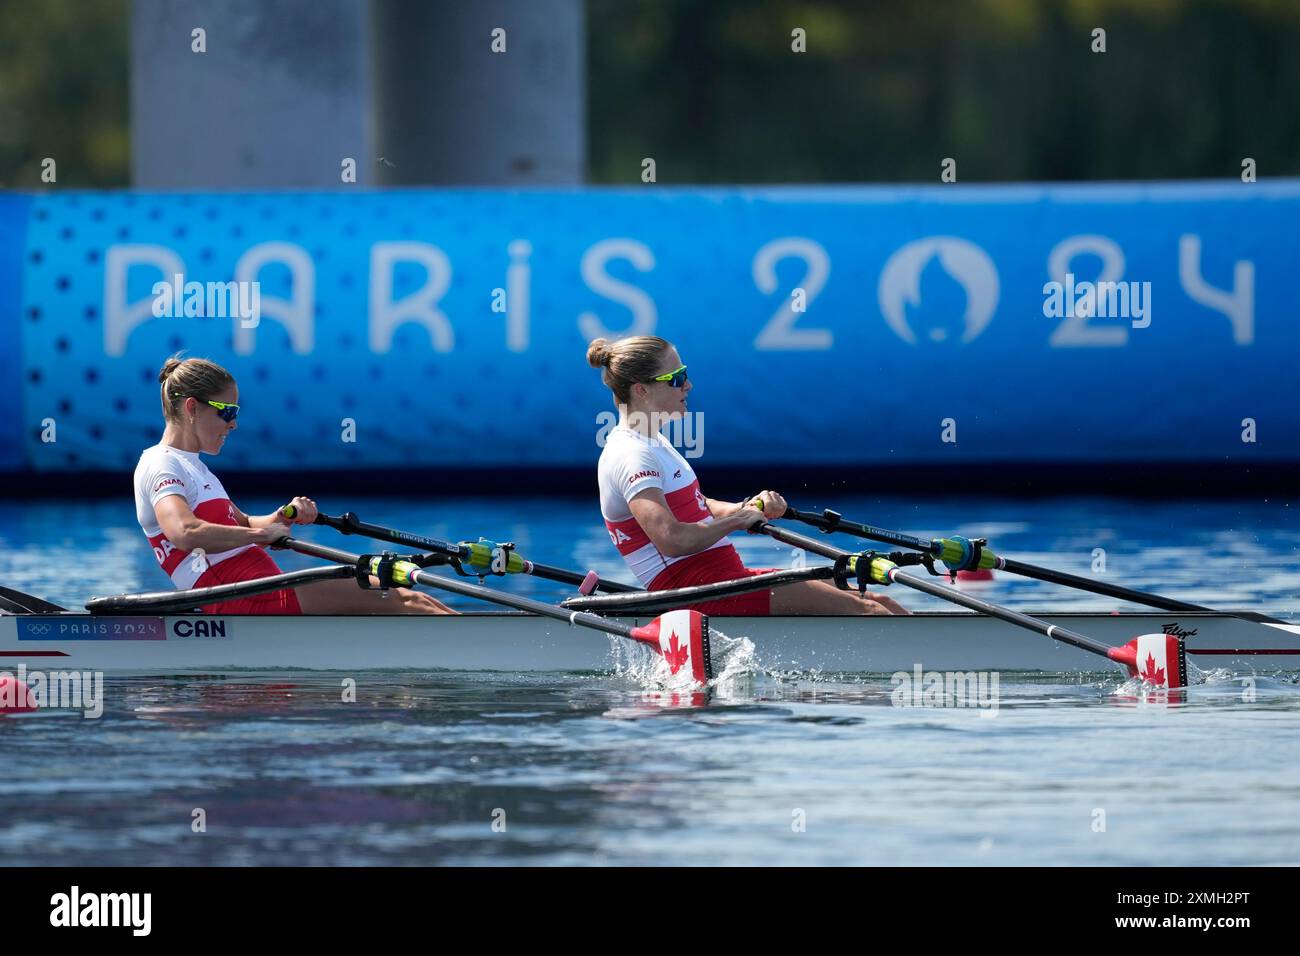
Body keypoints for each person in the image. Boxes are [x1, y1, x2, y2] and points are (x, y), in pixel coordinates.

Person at [587, 336, 907, 616]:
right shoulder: (630, 455)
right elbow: (671, 539)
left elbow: (697, 504)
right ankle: (919, 679)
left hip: (722, 578)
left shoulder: (653, 442)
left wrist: (745, 507)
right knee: (867, 611)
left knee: (874, 596)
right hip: (695, 592)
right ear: (641, 390)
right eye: (677, 377)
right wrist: (738, 522)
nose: (688, 385)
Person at [134, 355, 453, 614]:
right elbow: (184, 533)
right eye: (227, 411)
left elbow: (242, 523)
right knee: (404, 600)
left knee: (408, 598)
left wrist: (280, 518)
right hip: (239, 599)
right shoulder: (161, 464)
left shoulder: (197, 469)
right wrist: (260, 534)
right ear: (191, 407)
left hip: (261, 588)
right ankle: (493, 652)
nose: (234, 423)